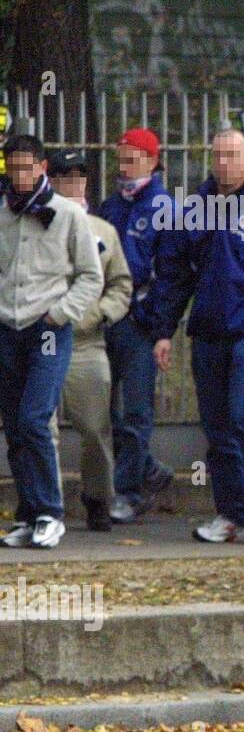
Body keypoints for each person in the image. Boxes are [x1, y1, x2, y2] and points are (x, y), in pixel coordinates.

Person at [148, 129, 244, 545]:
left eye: (233, 155)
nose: (224, 163)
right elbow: (175, 275)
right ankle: (233, 513)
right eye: (218, 155)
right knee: (216, 427)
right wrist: (164, 331)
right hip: (207, 333)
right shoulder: (196, 209)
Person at [0, 135, 103, 549]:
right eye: (13, 167)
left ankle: (49, 511)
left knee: (34, 417)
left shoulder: (67, 215)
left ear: (42, 167)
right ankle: (28, 514)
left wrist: (59, 313)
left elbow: (91, 276)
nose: (20, 175)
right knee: (14, 426)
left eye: (28, 167)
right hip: (8, 327)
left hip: (46, 329)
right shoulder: (3, 213)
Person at [45, 150, 133, 532]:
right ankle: (43, 504)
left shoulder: (103, 231)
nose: (73, 184)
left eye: (79, 177)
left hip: (86, 342)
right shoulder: (34, 224)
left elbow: (121, 284)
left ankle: (98, 498)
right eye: (65, 177)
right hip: (41, 342)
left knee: (96, 428)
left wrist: (101, 314)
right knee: (39, 429)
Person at [98, 127, 175, 524]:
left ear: (151, 160)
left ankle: (129, 491)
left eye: (132, 160)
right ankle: (146, 470)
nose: (124, 168)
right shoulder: (112, 205)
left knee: (136, 410)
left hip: (140, 319)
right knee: (106, 410)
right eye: (120, 160)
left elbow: (170, 272)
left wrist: (158, 325)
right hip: (109, 314)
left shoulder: (163, 207)